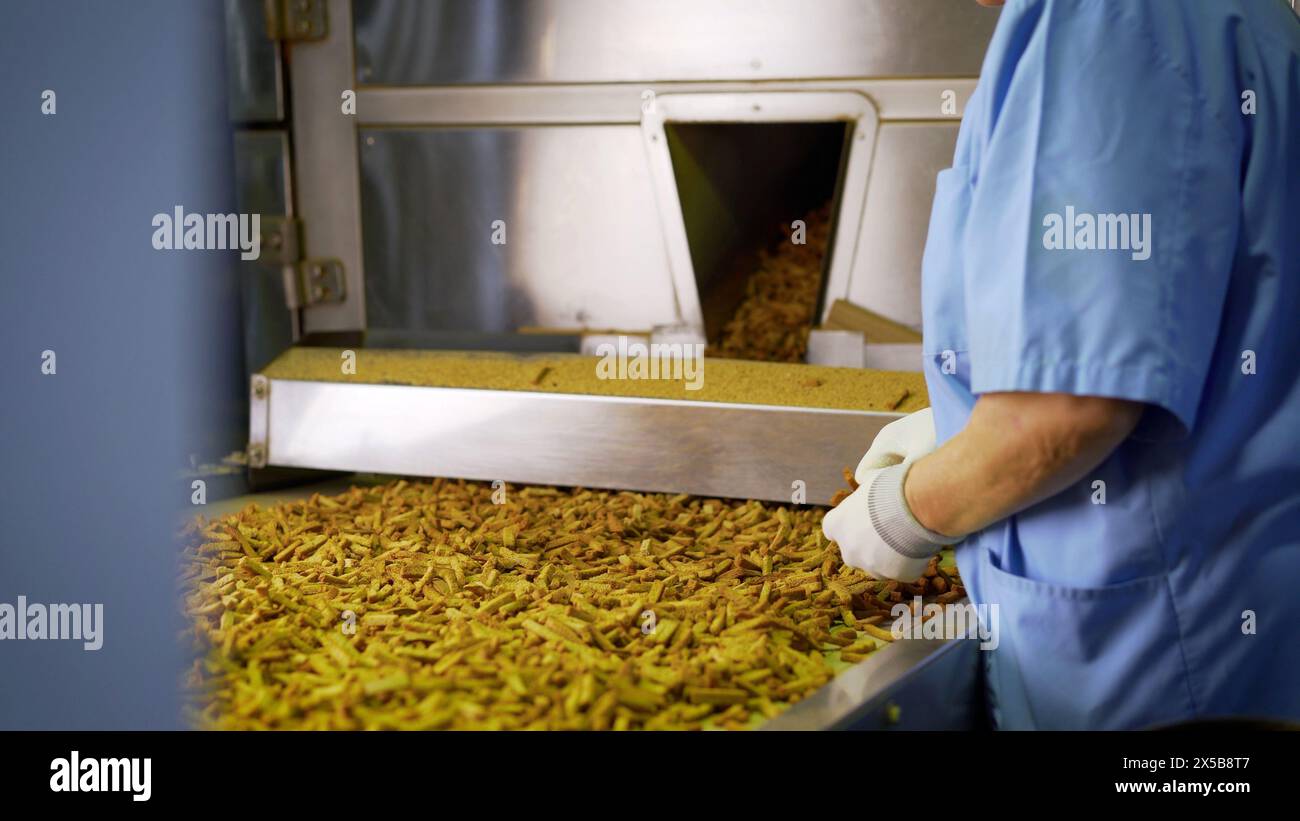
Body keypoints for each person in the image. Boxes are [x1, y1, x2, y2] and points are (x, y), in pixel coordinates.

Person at [823, 0, 1300, 730]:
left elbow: (1066, 414)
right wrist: (959, 422)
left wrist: (905, 510)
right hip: (1238, 628)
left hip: (1158, 670)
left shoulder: (1106, 18)